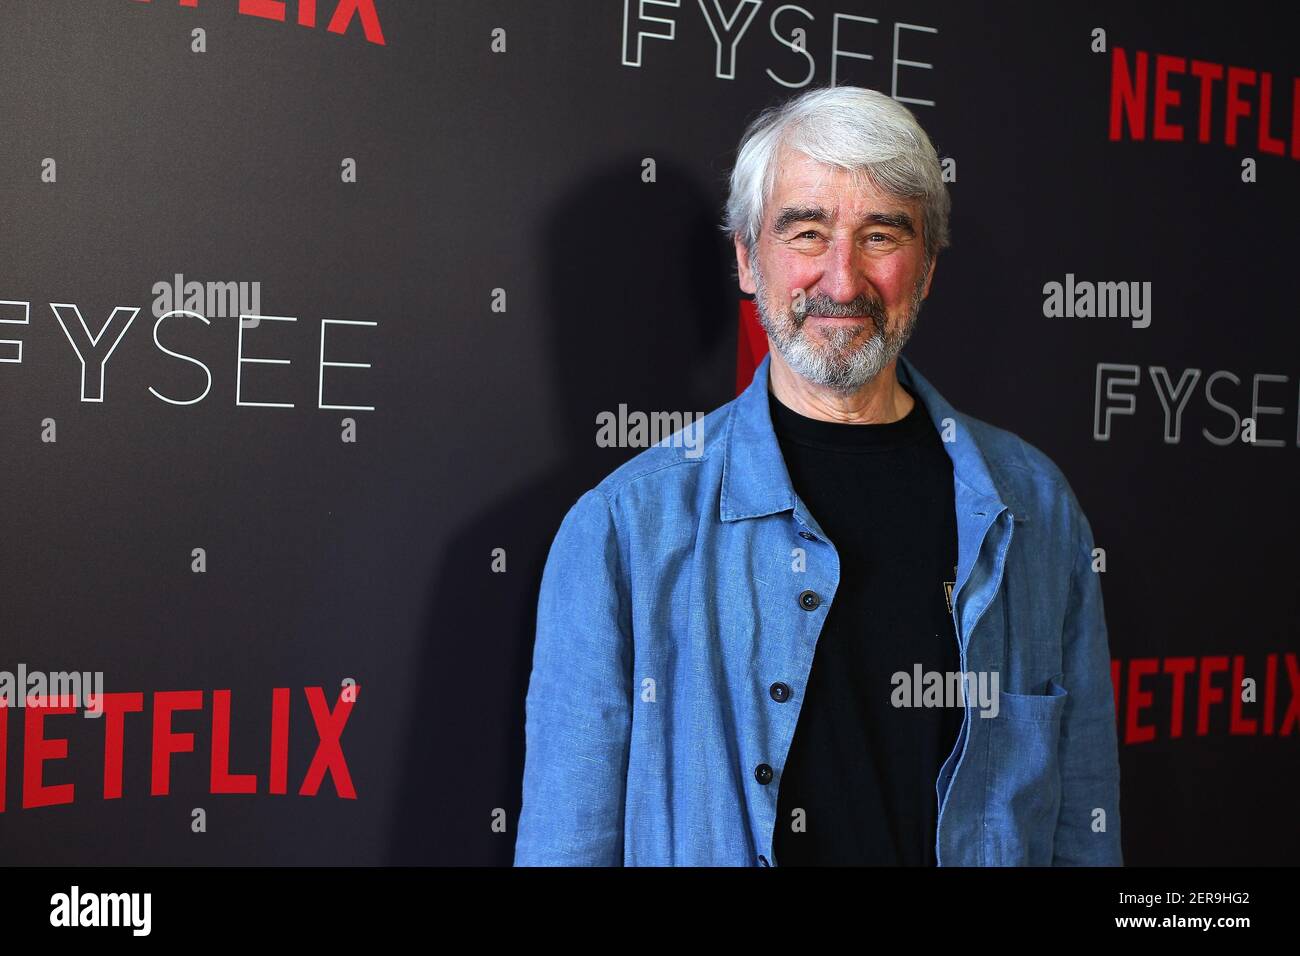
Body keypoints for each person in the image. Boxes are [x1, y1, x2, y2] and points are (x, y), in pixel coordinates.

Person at [514, 85, 1122, 866]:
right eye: (806, 232)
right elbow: (568, 845)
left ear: (928, 266)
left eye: (881, 235)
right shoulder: (621, 533)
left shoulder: (1036, 509)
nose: (841, 280)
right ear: (744, 257)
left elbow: (1085, 827)